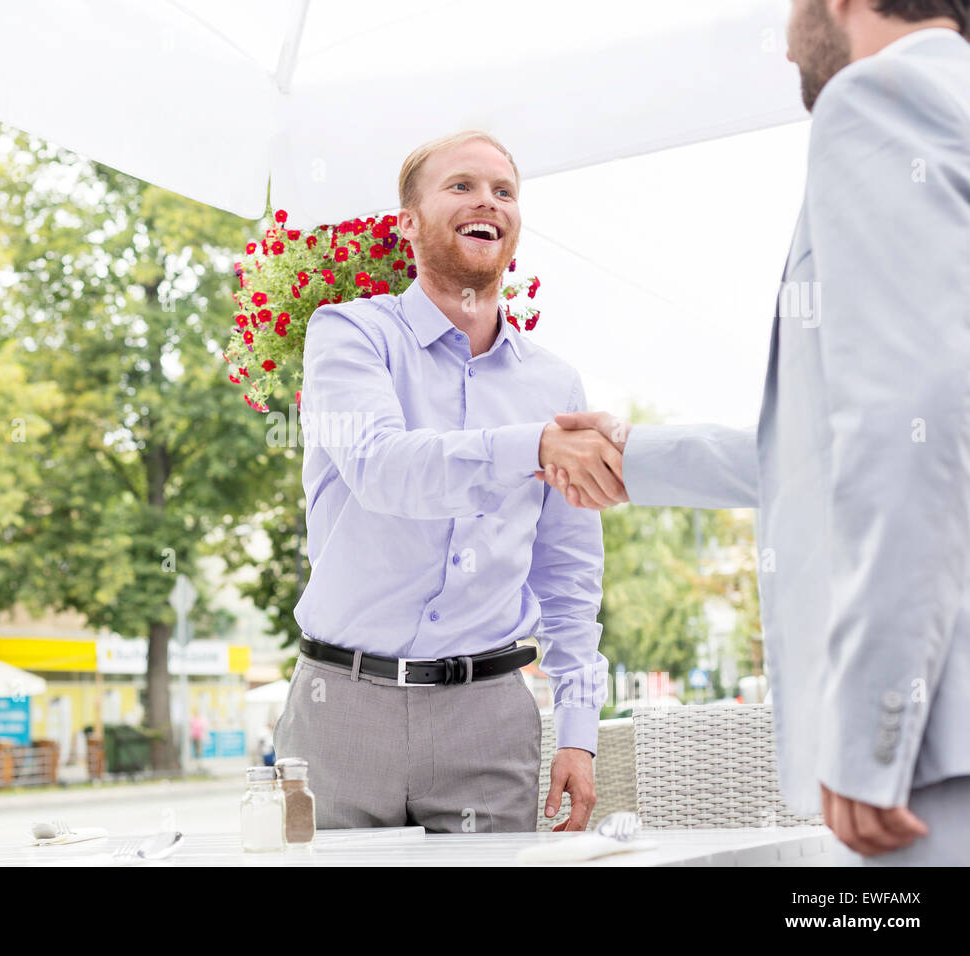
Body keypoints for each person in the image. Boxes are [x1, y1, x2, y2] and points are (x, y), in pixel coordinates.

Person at [545, 1, 970, 864]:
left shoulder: (881, 96)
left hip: (934, 745)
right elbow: (847, 439)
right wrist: (643, 455)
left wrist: (873, 727)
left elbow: (907, 423)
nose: (784, 40)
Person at [275, 130, 623, 832]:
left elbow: (569, 573)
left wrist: (580, 729)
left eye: (504, 190)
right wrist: (533, 445)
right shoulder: (347, 337)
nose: (486, 200)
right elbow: (382, 468)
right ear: (408, 221)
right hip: (340, 710)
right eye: (461, 185)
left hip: (488, 720)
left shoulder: (554, 385)